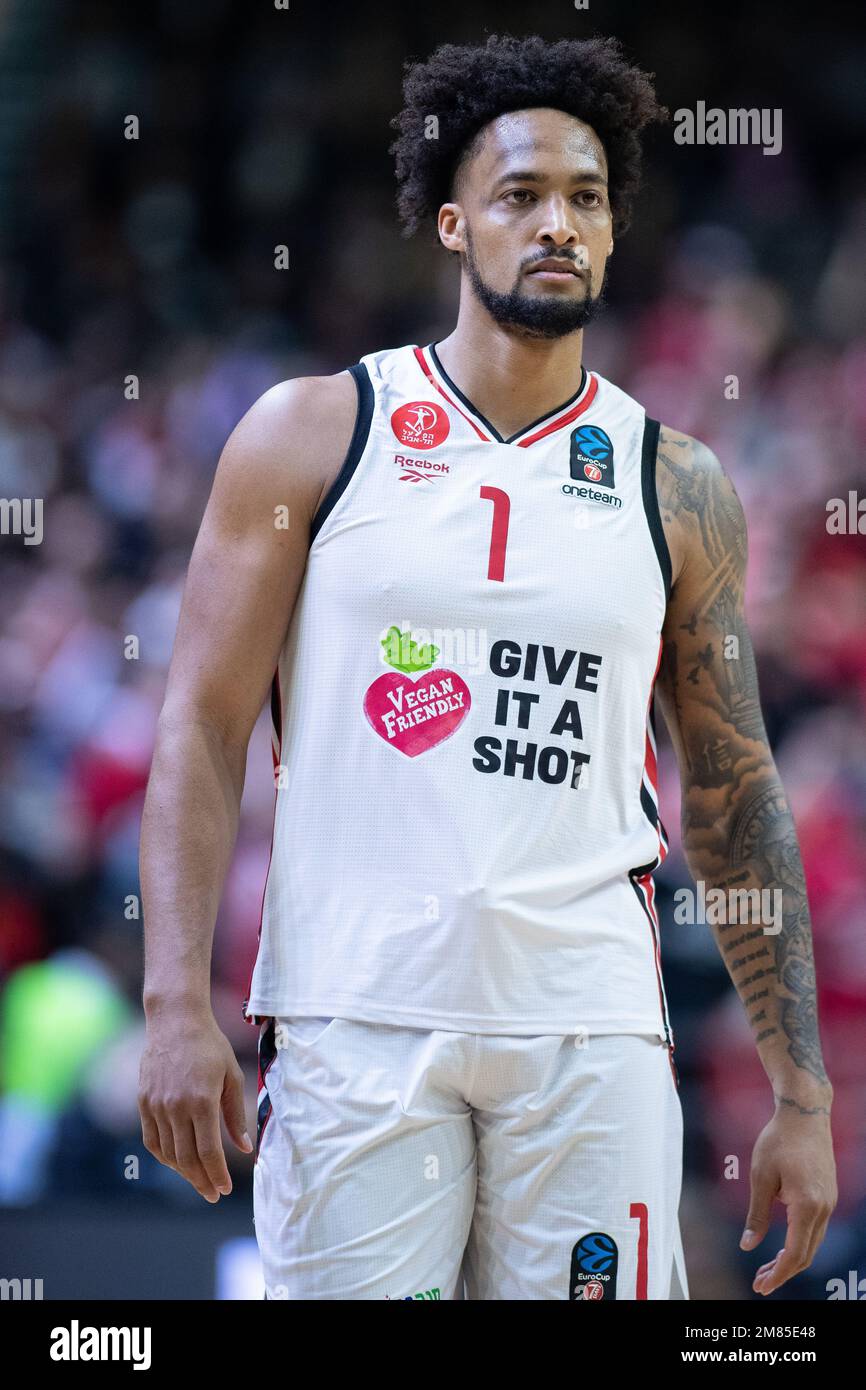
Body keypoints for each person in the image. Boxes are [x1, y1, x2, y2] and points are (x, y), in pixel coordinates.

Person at [137, 32, 836, 1300]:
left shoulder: (673, 481)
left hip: (590, 1028)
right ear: (453, 223)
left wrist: (799, 1088)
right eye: (519, 195)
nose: (555, 223)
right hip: (355, 1014)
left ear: (615, 232)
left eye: (583, 198)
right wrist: (174, 1002)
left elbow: (733, 794)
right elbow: (199, 722)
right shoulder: (311, 433)